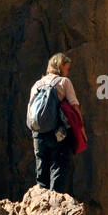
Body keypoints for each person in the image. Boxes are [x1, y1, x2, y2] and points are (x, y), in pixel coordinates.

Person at [29, 53, 83, 193]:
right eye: (67, 68)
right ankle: (55, 207)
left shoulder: (37, 84)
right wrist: (81, 131)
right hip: (57, 134)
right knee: (58, 168)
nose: (67, 72)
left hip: (38, 135)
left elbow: (30, 112)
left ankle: (41, 204)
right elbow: (74, 107)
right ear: (60, 66)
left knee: (42, 173)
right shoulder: (64, 82)